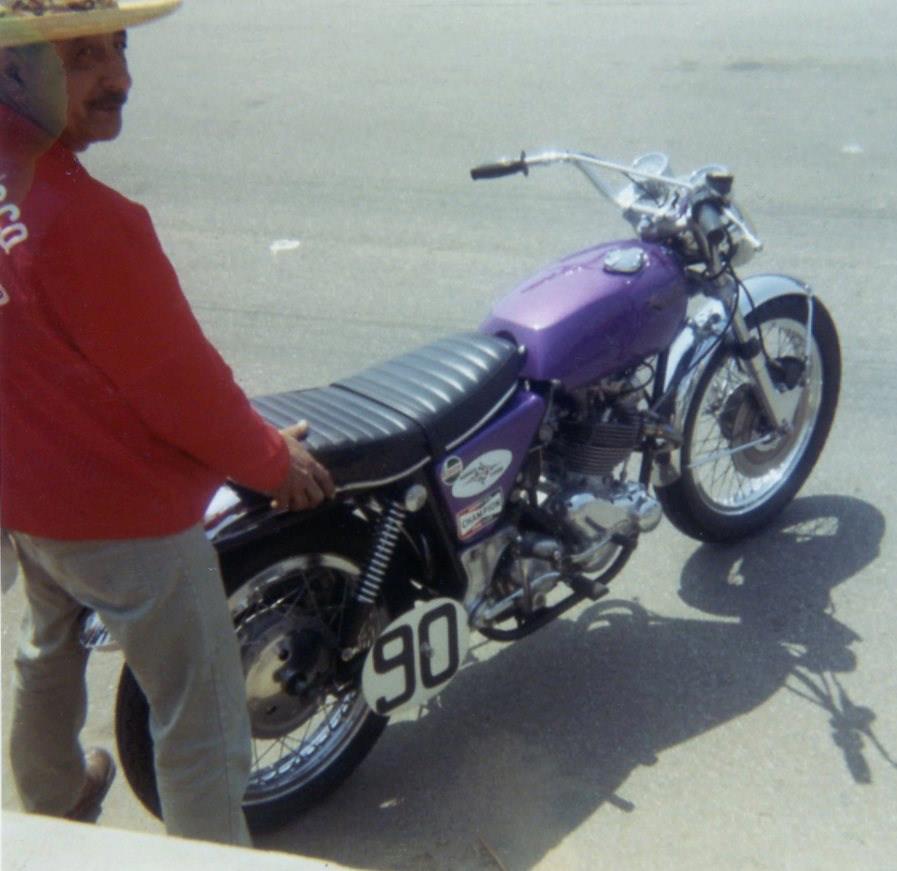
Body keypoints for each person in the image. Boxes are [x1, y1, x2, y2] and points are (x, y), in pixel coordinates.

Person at [0, 0, 334, 845]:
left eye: (116, 47)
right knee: (199, 716)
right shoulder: (90, 222)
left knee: (49, 649)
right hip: (126, 518)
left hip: (24, 497)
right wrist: (268, 460)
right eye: (82, 58)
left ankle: (52, 800)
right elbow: (176, 383)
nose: (120, 77)